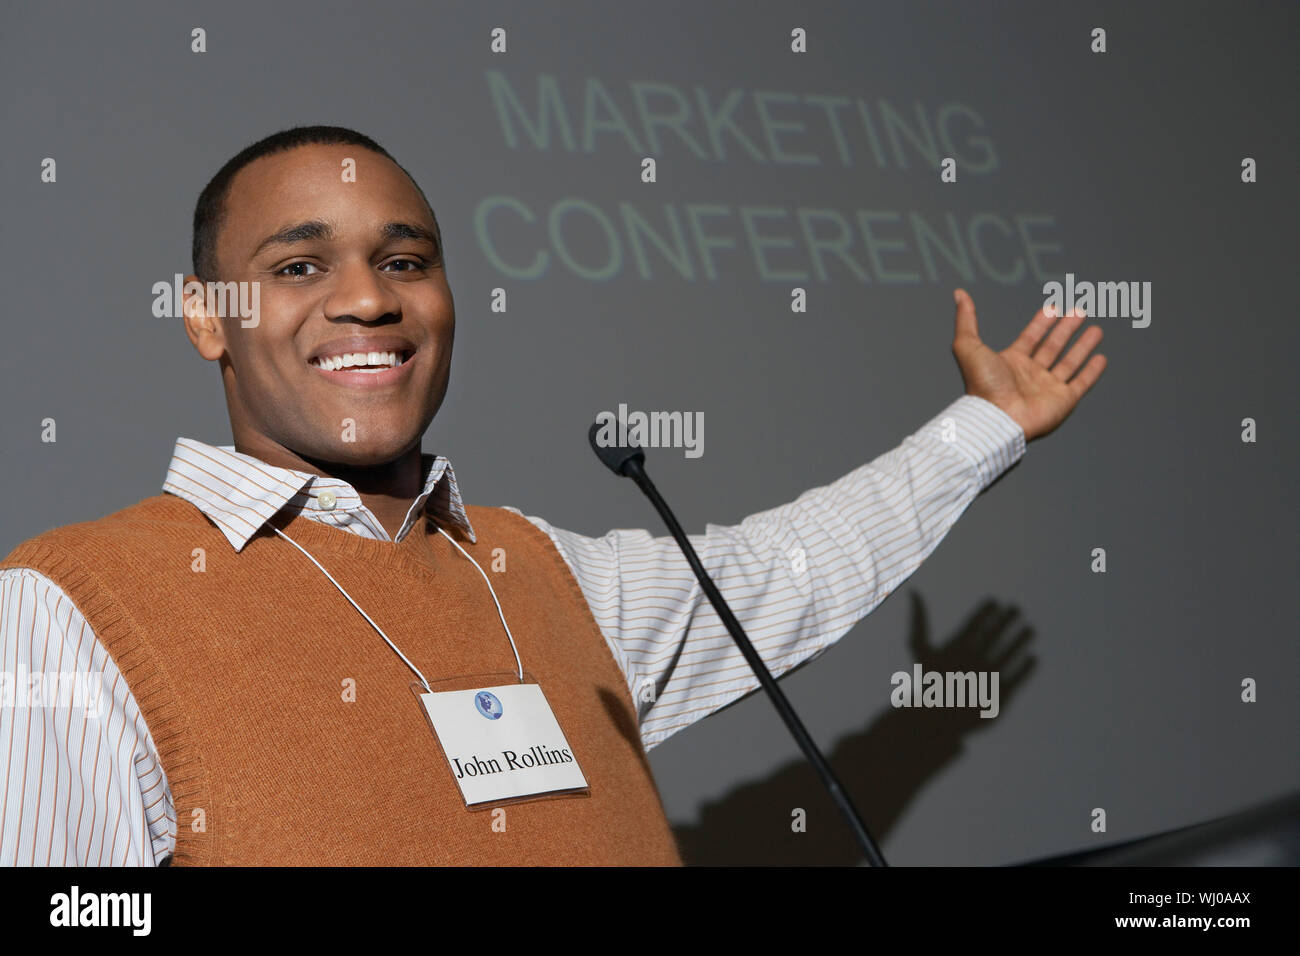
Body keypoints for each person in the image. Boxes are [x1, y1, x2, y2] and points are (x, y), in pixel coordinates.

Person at [0, 126, 1106, 866]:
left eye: (404, 259)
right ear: (206, 314)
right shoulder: (72, 607)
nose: (365, 300)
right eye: (298, 266)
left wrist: (986, 425)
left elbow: (789, 568)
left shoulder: (543, 571)